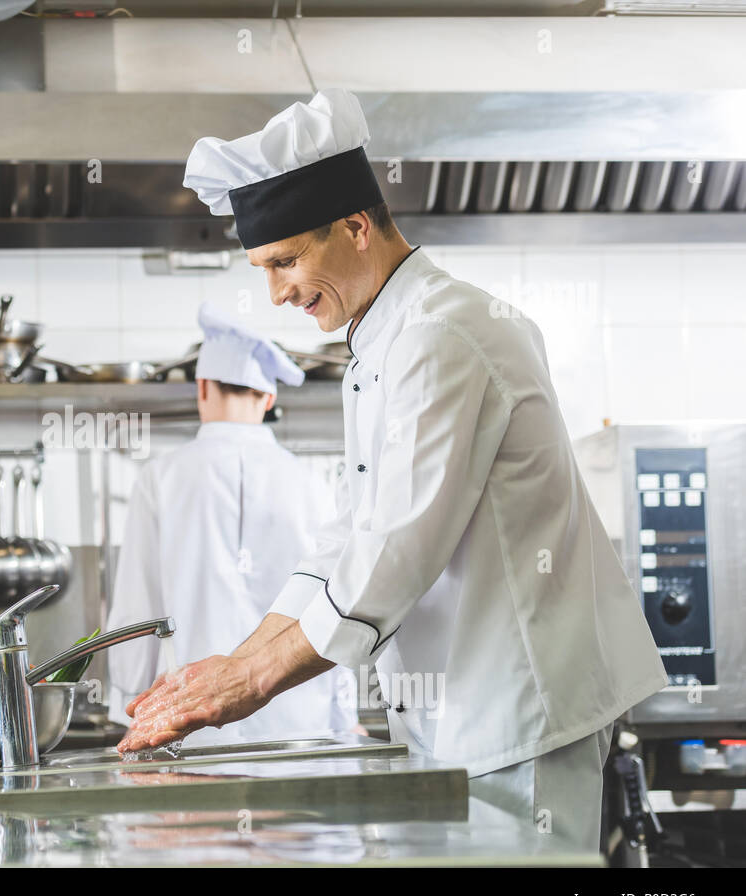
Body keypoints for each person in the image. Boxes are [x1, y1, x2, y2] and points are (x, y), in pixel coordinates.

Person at [116, 90, 667, 851]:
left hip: (521, 713)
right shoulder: (384, 344)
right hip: (462, 716)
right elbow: (344, 543)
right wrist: (224, 667)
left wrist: (246, 686)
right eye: (263, 268)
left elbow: (394, 556)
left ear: (355, 226)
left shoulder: (445, 334)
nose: (275, 292)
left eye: (285, 261)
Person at [105, 304, 359, 746]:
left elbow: (136, 612)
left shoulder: (160, 479)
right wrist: (344, 713)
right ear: (268, 398)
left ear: (202, 387)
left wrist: (133, 705)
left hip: (190, 725)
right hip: (302, 728)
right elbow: (335, 602)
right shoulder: (313, 483)